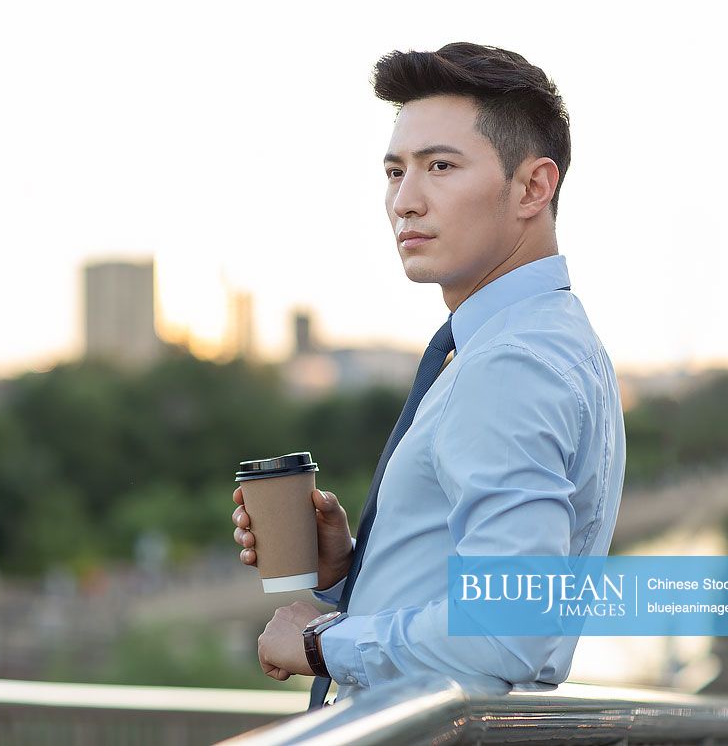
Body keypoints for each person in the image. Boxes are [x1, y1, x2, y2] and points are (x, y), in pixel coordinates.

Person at [230, 42, 626, 706]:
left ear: (532, 186)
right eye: (393, 171)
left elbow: (505, 630)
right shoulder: (530, 339)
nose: (404, 202)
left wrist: (321, 638)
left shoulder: (509, 361)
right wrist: (348, 566)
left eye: (439, 166)